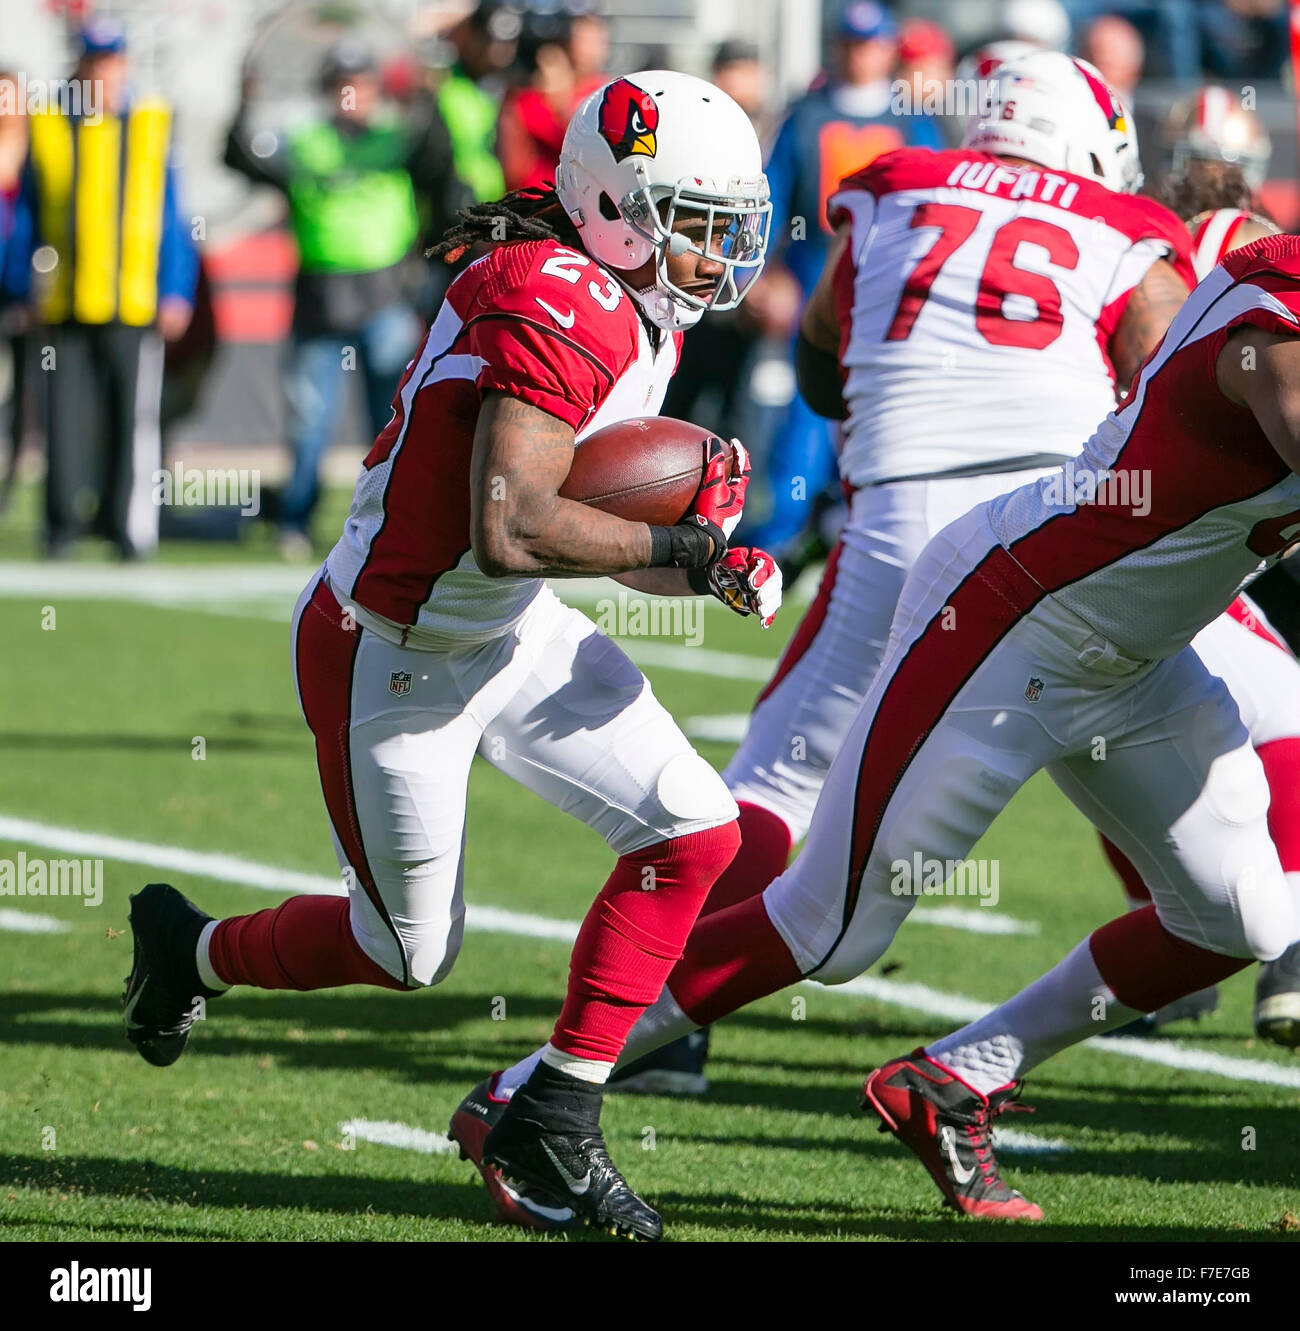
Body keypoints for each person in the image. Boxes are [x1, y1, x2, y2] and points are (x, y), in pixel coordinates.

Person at [503, 228, 1300, 1226]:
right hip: (1014, 618)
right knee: (825, 927)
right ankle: (526, 1090)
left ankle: (955, 1079)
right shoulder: (1279, 319)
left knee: (1242, 919)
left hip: (1138, 658)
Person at [122, 71, 780, 1245]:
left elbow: (584, 545)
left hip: (507, 626)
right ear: (619, 205)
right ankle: (191, 950)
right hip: (398, 650)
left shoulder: (626, 302)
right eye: (694, 220)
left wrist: (705, 565)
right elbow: (514, 523)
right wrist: (674, 531)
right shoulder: (562, 297)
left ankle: (551, 1111)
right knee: (409, 951)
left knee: (695, 830)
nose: (715, 251)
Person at [614, 51, 1195, 1102]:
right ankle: (1212, 934)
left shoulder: (899, 183)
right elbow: (1167, 396)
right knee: (1141, 737)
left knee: (781, 778)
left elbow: (825, 351)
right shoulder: (1123, 229)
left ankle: (661, 1026)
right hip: (1046, 533)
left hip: (897, 520)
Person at [226, 39, 458, 557]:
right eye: (342, 86)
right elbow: (242, 157)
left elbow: (438, 159)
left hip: (384, 298)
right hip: (320, 301)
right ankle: (295, 521)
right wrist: (244, 101)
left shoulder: (394, 139)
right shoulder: (305, 143)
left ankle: (394, 522)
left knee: (394, 420)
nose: (353, 96)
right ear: (329, 92)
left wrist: (429, 92)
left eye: (362, 85)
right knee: (310, 421)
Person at [747, 0, 942, 563]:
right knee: (807, 413)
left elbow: (935, 209)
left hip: (890, 289)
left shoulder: (912, 121)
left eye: (869, 44)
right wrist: (758, 274)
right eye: (851, 45)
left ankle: (848, 527)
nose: (859, 56)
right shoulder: (805, 116)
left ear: (886, 48)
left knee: (884, 411)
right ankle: (782, 532)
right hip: (817, 279)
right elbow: (770, 200)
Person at [22, 18, 197, 558]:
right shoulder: (49, 124)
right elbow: (29, 213)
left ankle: (127, 529)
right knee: (64, 419)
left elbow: (174, 219)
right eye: (93, 61)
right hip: (66, 298)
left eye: (110, 61)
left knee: (131, 421)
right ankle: (62, 527)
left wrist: (176, 289)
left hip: (133, 298)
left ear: (123, 64)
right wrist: (22, 283)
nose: (102, 72)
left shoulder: (151, 124)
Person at [496, 7, 607, 192]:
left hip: (582, 203)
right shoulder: (526, 100)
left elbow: (598, 155)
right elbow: (513, 171)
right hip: (535, 205)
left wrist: (562, 98)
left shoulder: (603, 93)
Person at [436, 0, 519, 203]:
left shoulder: (515, 88)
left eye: (508, 42)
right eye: (491, 41)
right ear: (472, 37)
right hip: (458, 208)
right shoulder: (444, 89)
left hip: (499, 207)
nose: (500, 52)